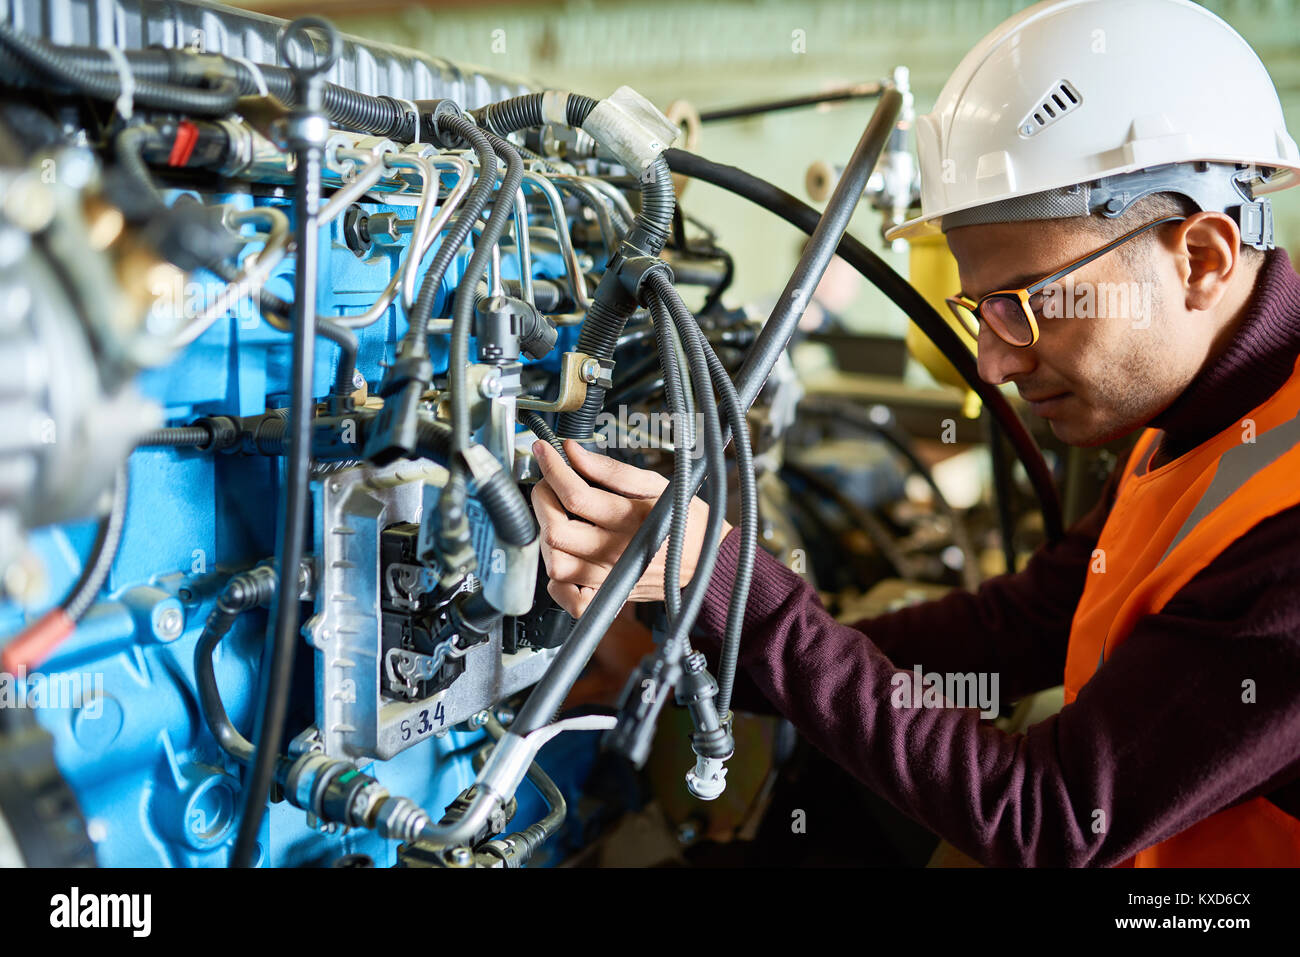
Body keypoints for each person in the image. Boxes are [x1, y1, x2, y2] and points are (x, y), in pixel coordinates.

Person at [529, 0, 1300, 866]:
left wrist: (748, 597)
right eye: (978, 310)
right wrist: (713, 643)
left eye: (1024, 305)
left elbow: (1050, 817)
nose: (994, 365)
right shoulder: (1214, 417)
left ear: (1201, 256)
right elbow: (1025, 624)